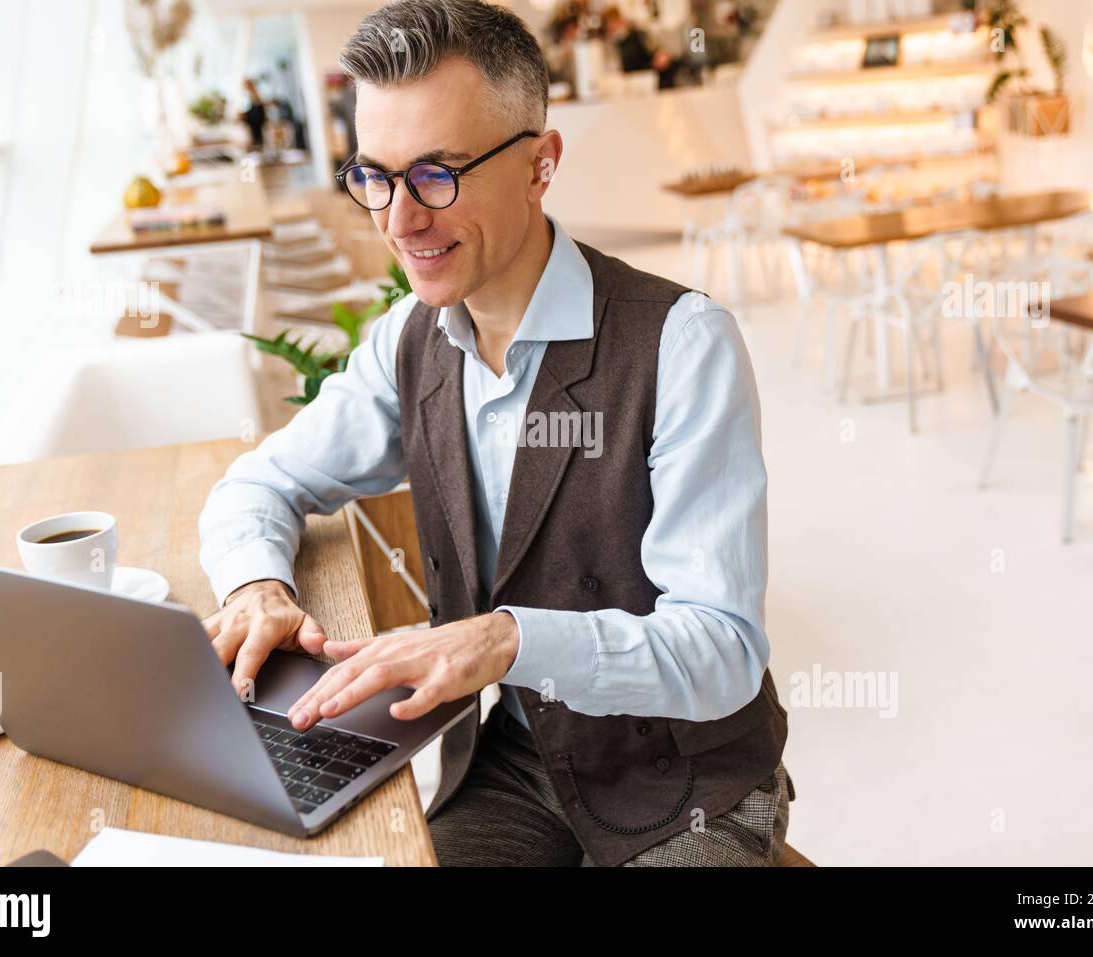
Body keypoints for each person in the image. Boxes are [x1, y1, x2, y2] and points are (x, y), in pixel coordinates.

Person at [197, 0, 791, 867]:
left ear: (541, 164)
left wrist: (506, 637)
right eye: (376, 177)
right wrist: (255, 586)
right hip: (516, 769)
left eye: (437, 173)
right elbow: (258, 484)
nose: (400, 221)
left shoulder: (680, 343)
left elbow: (723, 649)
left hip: (684, 782)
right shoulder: (409, 340)